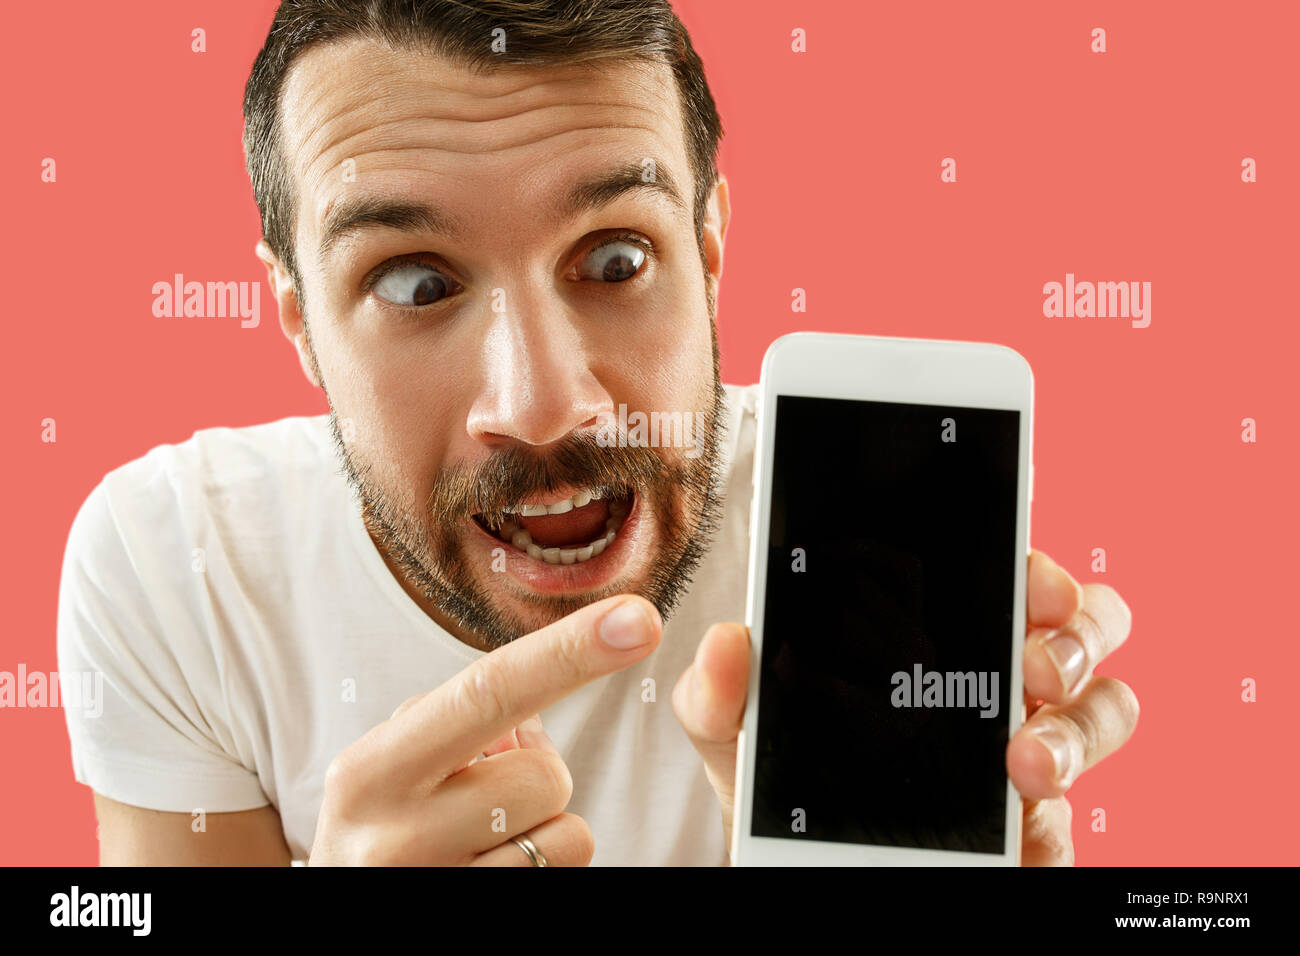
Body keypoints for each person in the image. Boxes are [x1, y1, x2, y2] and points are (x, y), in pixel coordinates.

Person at [57, 0, 1137, 866]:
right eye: (416, 281)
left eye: (615, 259)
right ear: (297, 316)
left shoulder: (884, 519)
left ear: (709, 246)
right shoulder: (178, 562)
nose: (541, 402)